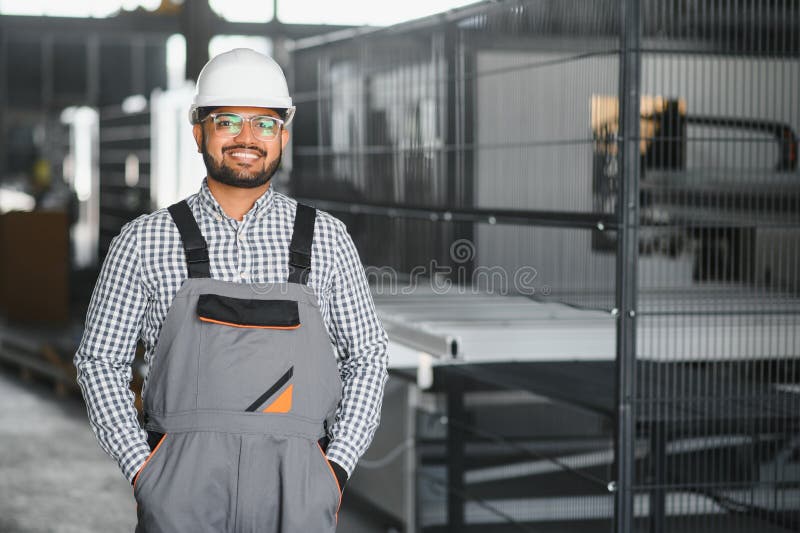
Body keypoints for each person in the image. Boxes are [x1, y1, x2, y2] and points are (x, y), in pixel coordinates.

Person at [73, 48, 389, 532]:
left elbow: (368, 355)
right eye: (228, 121)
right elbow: (99, 360)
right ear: (198, 129)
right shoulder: (143, 240)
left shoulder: (326, 238)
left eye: (264, 123)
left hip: (297, 492)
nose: (247, 138)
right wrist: (145, 469)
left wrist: (335, 468)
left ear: (284, 134)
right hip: (182, 492)